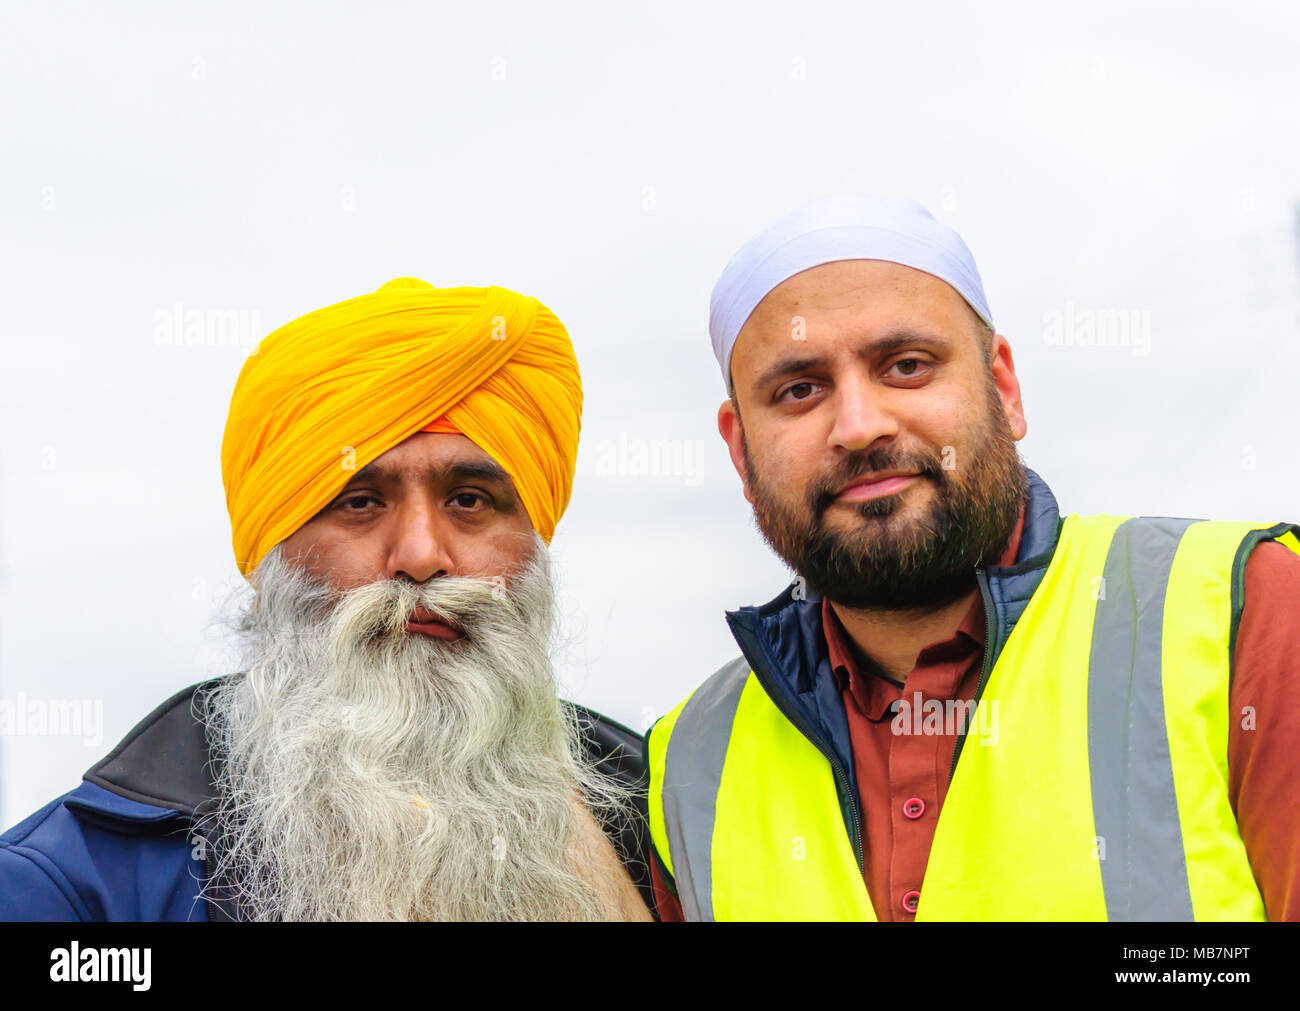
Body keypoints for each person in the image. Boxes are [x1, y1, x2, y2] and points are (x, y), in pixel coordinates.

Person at [646, 197, 1300, 921]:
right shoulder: (687, 764)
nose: (859, 426)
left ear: (1004, 388)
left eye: (906, 366)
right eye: (800, 390)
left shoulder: (1245, 611)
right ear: (740, 451)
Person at [0, 277, 652, 922]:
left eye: (469, 499)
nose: (420, 555)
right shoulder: (71, 890)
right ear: (271, 562)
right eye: (359, 502)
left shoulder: (674, 824)